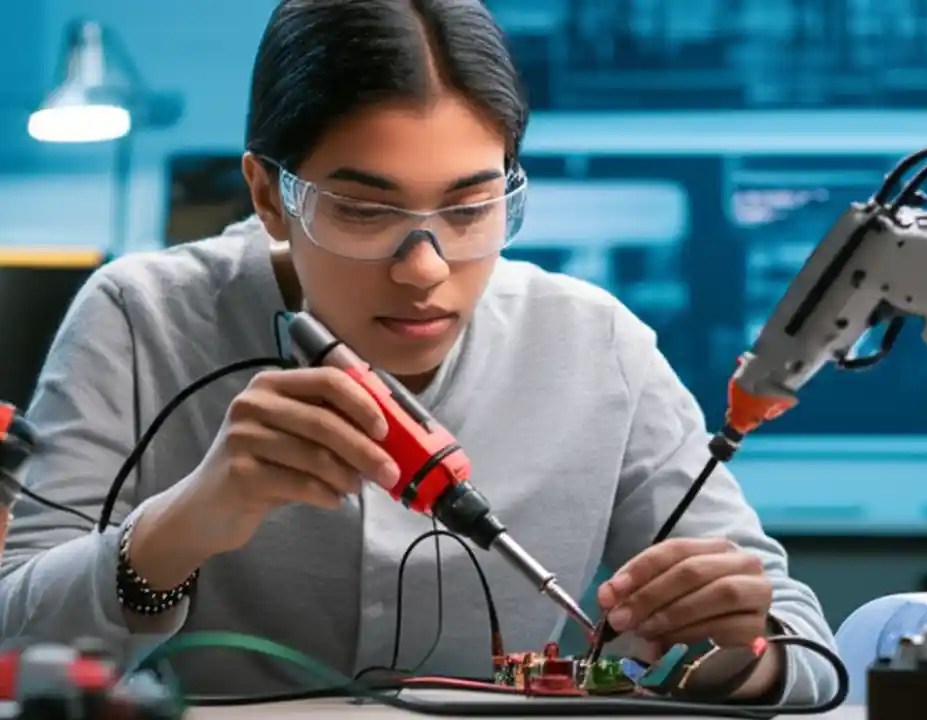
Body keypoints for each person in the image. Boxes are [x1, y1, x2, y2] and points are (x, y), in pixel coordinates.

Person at [0, 0, 838, 703]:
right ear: (266, 194)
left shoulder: (595, 342)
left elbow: (803, 648)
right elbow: (11, 634)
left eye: (471, 209)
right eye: (365, 213)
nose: (426, 270)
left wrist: (738, 648)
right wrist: (182, 527)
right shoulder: (140, 318)